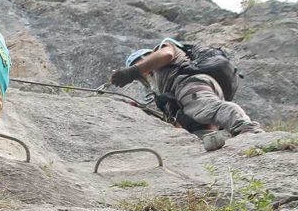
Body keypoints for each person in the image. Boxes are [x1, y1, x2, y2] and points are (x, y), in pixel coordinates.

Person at [109, 39, 261, 152]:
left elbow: (166, 55)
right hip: (189, 94)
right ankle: (217, 143)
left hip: (190, 84)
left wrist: (133, 71)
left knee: (205, 108)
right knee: (195, 122)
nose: (145, 72)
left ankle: (248, 128)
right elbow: (174, 123)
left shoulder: (165, 48)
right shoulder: (163, 88)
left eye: (142, 64)